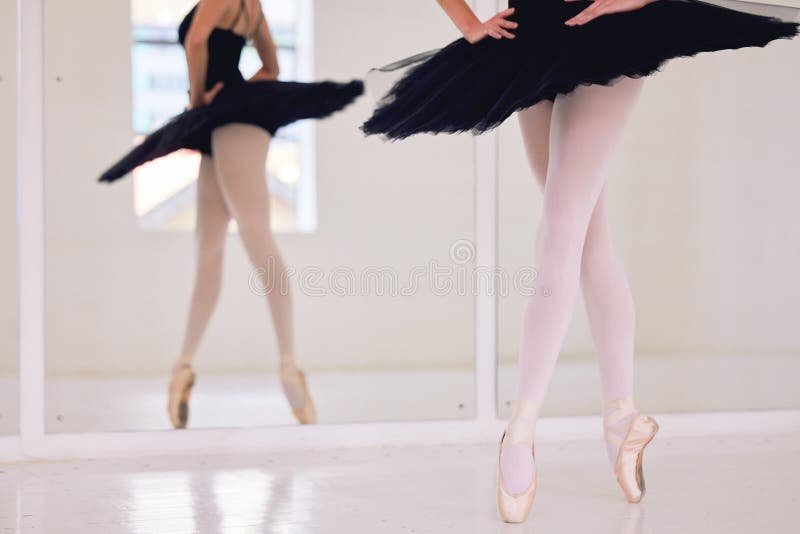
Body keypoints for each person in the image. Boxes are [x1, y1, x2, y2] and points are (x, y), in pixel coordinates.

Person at [360, 0, 798, 523]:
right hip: (527, 40)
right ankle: (621, 417)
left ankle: (521, 428)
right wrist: (469, 24)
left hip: (605, 34)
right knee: (588, 236)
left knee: (559, 230)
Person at [99, 0, 364, 429]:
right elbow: (271, 66)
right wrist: (232, 91)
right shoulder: (253, 9)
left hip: (231, 119)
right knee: (211, 247)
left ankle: (287, 366)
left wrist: (199, 95)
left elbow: (199, 39)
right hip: (225, 122)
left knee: (252, 238)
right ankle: (185, 367)